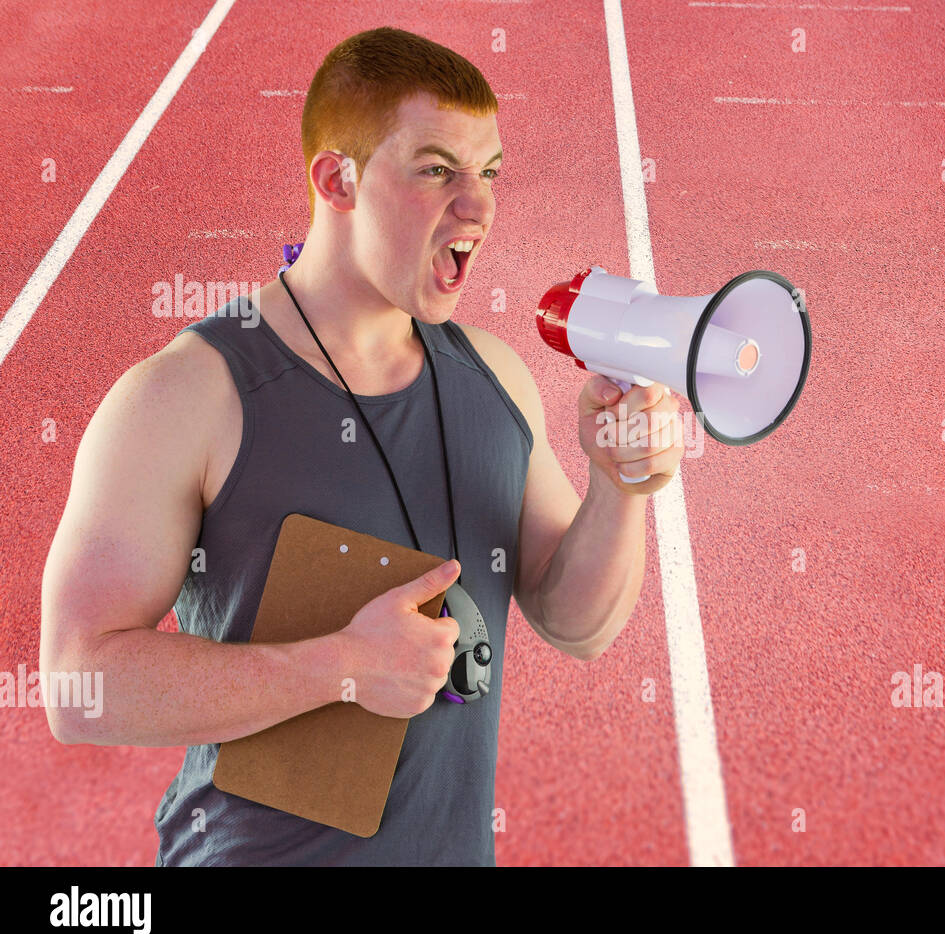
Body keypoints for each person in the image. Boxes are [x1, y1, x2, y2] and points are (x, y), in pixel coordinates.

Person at [39, 26, 684, 865]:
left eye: (487, 173)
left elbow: (577, 624)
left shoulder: (493, 377)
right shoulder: (187, 395)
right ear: (336, 179)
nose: (479, 206)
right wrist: (338, 668)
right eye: (436, 170)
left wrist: (619, 484)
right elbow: (77, 685)